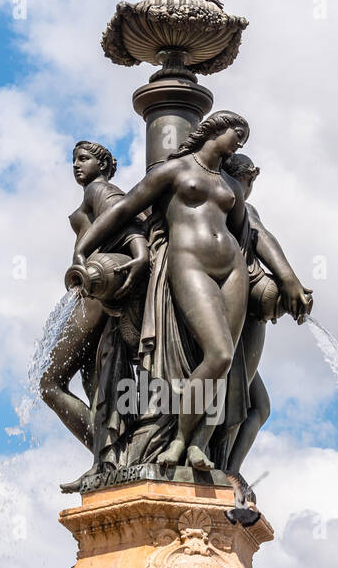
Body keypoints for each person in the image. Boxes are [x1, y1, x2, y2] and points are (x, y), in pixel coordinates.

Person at [74, 111, 252, 470]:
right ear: (215, 130)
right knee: (218, 355)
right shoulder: (173, 171)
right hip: (188, 264)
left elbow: (248, 232)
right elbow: (125, 208)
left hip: (232, 270)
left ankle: (199, 443)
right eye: (238, 135)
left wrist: (285, 278)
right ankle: (179, 439)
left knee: (225, 364)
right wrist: (83, 249)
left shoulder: (231, 185)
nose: (240, 144)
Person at [39, 142, 147, 450]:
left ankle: (109, 453)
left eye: (84, 159)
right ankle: (112, 454)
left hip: (95, 295)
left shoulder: (100, 190)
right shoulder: (98, 192)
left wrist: (139, 254)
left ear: (102, 165)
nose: (76, 165)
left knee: (49, 384)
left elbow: (127, 221)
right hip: (96, 293)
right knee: (94, 383)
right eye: (73, 160)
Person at [220, 152, 313, 475]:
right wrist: (289, 280)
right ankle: (225, 472)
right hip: (243, 311)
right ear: (249, 176)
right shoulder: (238, 204)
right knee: (245, 401)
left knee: (255, 404)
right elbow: (262, 236)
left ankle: (227, 470)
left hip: (221, 308)